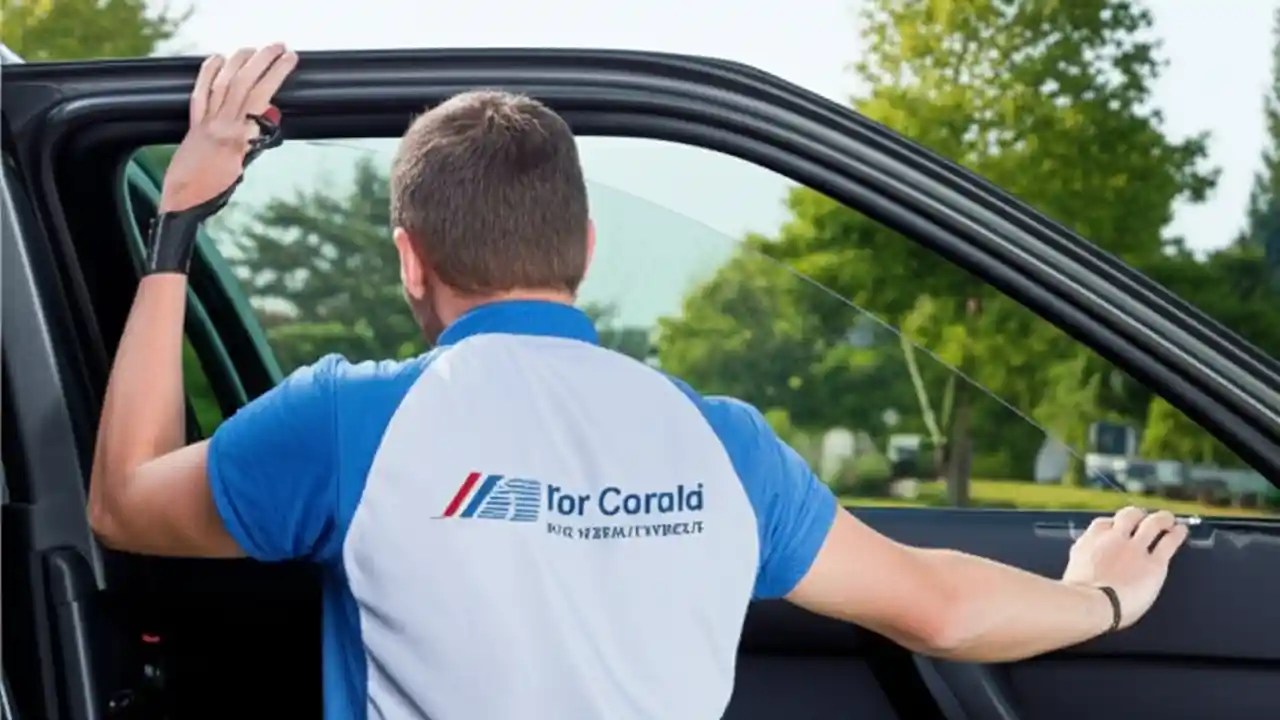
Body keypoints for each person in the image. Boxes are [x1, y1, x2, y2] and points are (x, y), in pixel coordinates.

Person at [88, 44, 1190, 720]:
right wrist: (1104, 594)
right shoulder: (720, 444)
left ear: (408, 257)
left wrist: (177, 222)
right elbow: (942, 610)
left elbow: (121, 504)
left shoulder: (347, 422)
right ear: (587, 242)